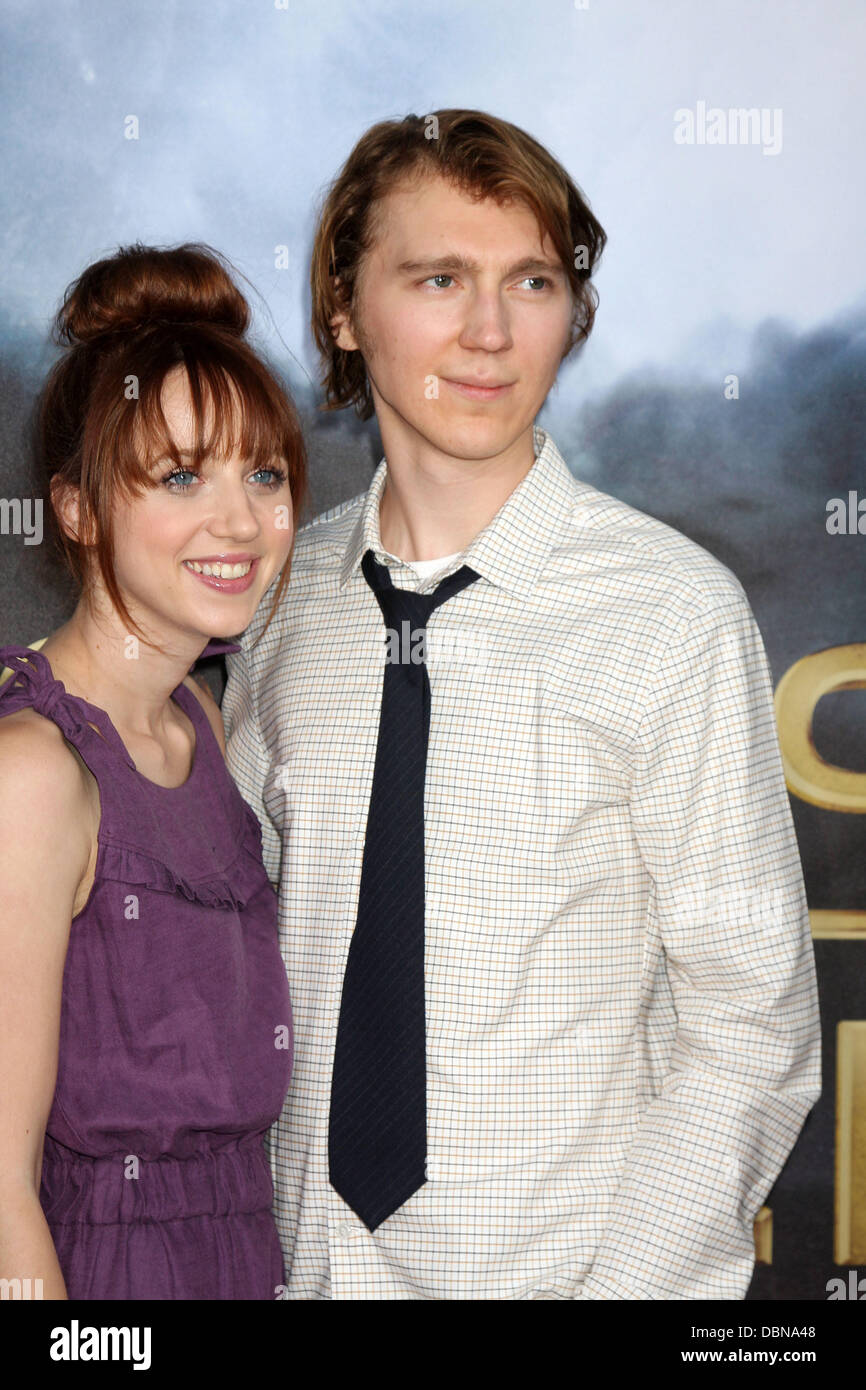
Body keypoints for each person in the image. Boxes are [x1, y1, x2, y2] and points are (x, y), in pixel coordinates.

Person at [222, 109, 822, 1300]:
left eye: (531, 281)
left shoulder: (671, 613)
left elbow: (753, 1030)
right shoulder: (277, 603)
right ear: (343, 309)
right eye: (438, 278)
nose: (489, 332)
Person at [0, 243, 307, 1299]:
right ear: (78, 511)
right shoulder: (31, 770)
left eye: (262, 472)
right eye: (180, 476)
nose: (240, 522)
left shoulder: (201, 722)